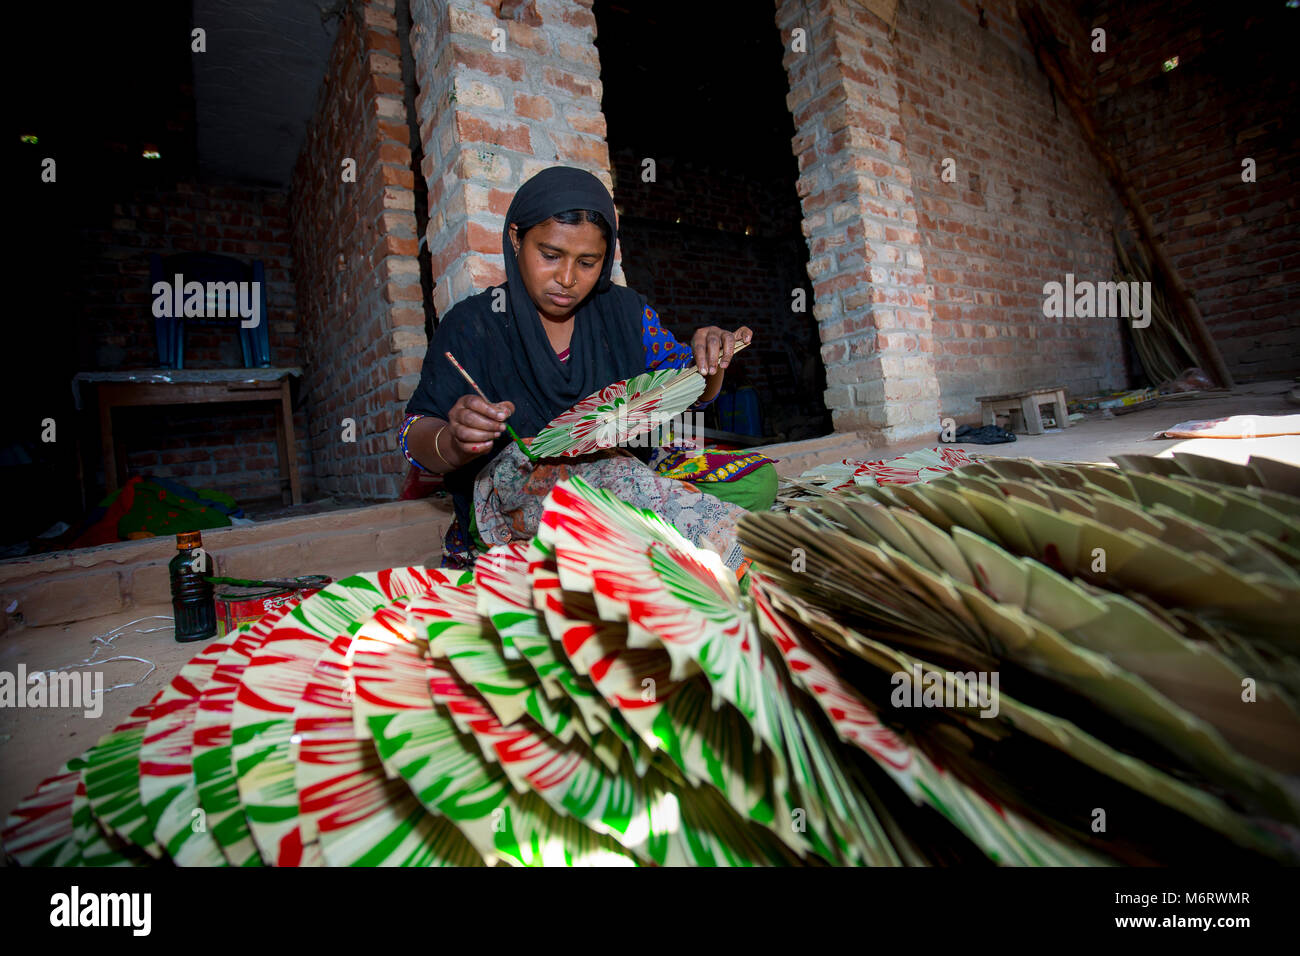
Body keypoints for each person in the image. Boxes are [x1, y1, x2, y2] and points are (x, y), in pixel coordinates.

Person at [399, 166, 755, 569]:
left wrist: (712, 365)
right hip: (523, 499)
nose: (567, 278)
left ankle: (633, 531)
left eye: (587, 262)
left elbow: (690, 398)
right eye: (550, 255)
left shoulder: (625, 313)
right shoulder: (473, 325)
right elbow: (415, 435)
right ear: (516, 239)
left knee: (756, 481)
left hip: (628, 475)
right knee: (616, 503)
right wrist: (454, 440)